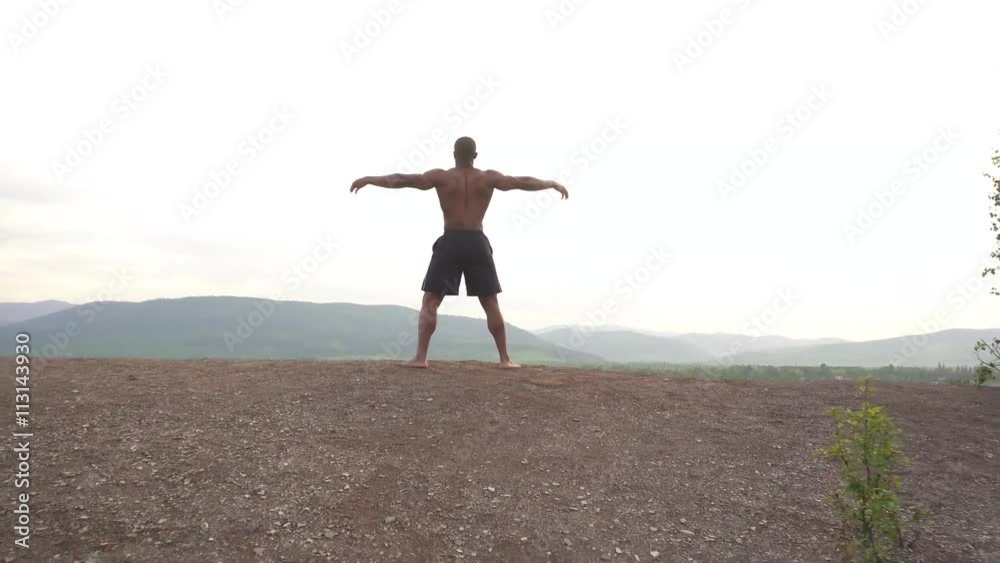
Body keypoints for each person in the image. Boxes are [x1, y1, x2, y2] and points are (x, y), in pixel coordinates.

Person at [350, 137, 569, 369]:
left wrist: (369, 179)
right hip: (477, 243)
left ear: (453, 153)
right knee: (490, 301)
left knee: (431, 300)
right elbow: (520, 182)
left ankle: (420, 357)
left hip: (451, 241)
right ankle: (505, 359)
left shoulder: (441, 177)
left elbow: (403, 180)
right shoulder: (488, 178)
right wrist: (550, 183)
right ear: (475, 155)